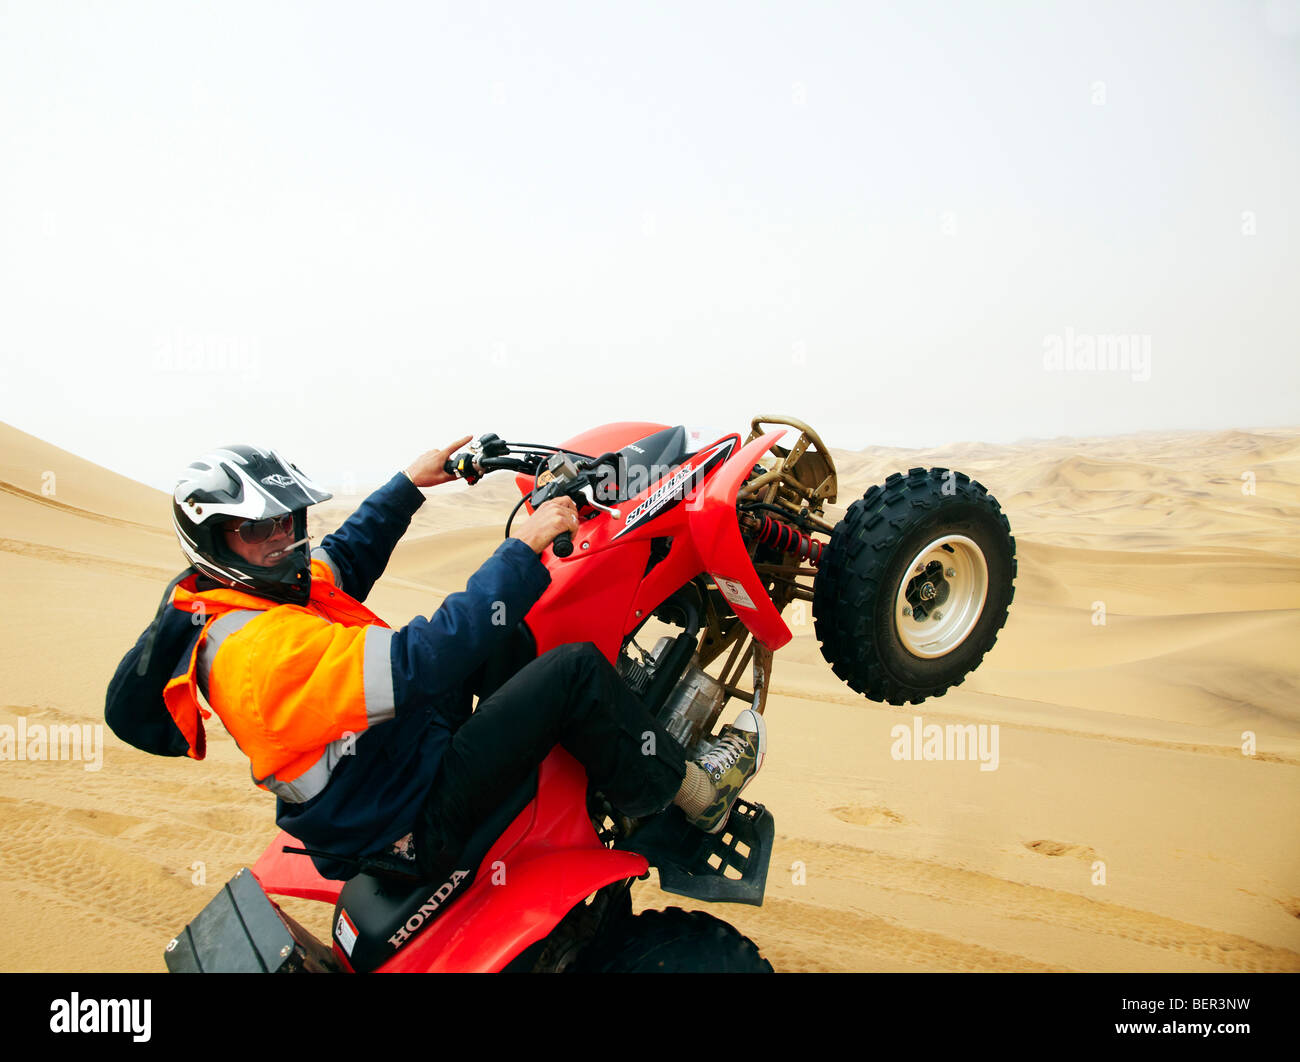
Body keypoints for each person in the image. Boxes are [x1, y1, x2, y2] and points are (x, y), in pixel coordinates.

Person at [107, 440, 765, 884]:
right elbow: (422, 659)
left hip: (386, 766)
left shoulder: (243, 593)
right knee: (572, 672)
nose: (283, 538)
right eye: (258, 529)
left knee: (513, 633)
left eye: (288, 518)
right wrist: (523, 546)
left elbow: (347, 556)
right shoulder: (256, 653)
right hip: (405, 822)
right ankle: (693, 795)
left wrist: (410, 484)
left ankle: (612, 734)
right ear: (212, 536)